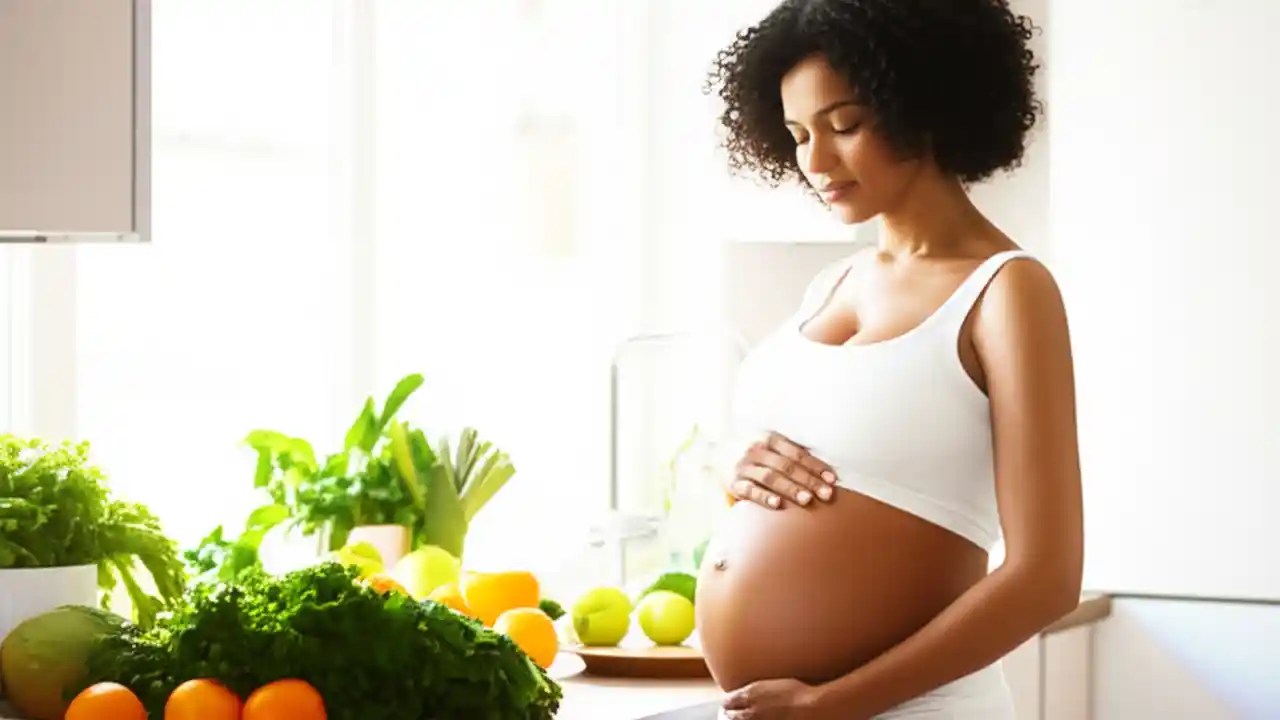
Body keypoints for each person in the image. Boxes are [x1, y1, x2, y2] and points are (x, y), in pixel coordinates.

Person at [691, 1, 1084, 718]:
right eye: (798, 135)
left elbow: (1047, 577)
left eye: (845, 125)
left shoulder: (1006, 291)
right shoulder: (830, 284)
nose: (815, 162)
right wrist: (734, 467)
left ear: (923, 106)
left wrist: (831, 703)